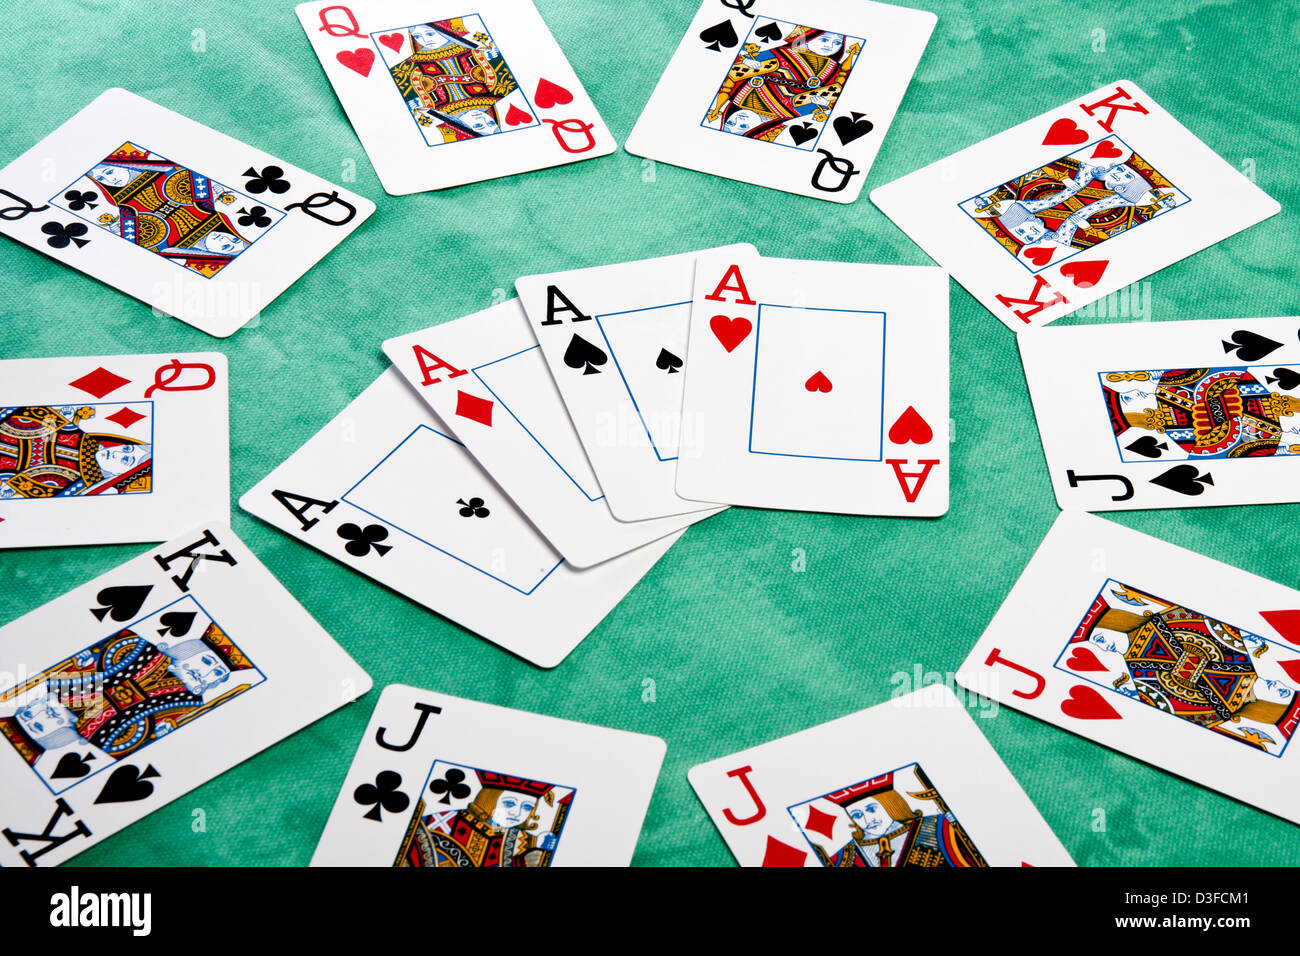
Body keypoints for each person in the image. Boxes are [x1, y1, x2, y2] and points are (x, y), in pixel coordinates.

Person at [82, 142, 252, 277]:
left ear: (214, 254)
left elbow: (133, 246)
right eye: (234, 240)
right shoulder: (203, 199)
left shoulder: (160, 245)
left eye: (226, 247)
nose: (225, 239)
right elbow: (189, 171)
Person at [706, 26, 860, 144]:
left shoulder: (831, 68)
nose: (831, 46)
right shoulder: (791, 110)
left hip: (762, 91)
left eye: (837, 42)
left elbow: (733, 75)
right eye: (825, 40)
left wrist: (745, 62)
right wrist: (826, 103)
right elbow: (837, 93)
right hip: (788, 105)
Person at [395, 769, 569, 867]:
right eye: (509, 804)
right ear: (488, 800)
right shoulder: (441, 822)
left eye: (527, 807)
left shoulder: (520, 841)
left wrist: (538, 850)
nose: (517, 814)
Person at [388, 19, 518, 143]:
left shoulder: (427, 110)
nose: (425, 40)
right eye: (490, 122)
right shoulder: (496, 85)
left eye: (478, 125)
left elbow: (397, 88)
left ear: (464, 126)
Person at [0, 405, 151, 499]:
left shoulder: (77, 487)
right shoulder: (79, 432)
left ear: (121, 475)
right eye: (126, 448)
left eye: (125, 461)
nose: (116, 453)